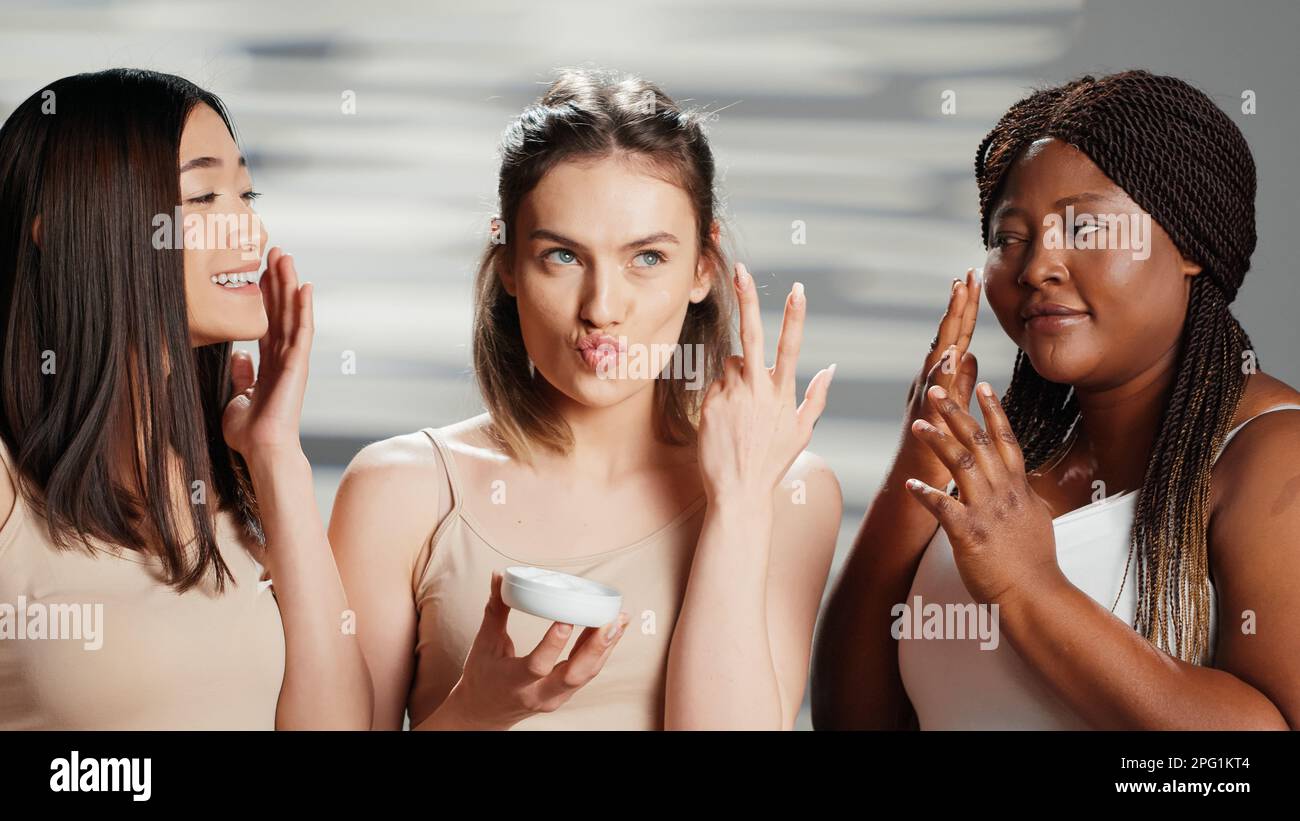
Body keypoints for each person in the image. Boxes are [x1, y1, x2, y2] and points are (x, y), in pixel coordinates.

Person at [329, 68, 841, 730]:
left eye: (647, 258)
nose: (603, 308)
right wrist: (472, 713)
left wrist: (738, 505)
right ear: (510, 265)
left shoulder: (787, 491)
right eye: (563, 256)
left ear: (702, 268)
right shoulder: (398, 490)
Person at [812, 70, 1300, 730]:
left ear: (1188, 243)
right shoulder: (1002, 459)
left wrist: (1030, 587)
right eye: (1010, 237)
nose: (1038, 264)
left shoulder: (1271, 454)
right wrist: (919, 458)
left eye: (1086, 229)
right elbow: (854, 719)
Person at [0, 69, 371, 729]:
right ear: (66, 230)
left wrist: (277, 457)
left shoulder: (235, 481)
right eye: (203, 198)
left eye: (246, 193)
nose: (251, 235)